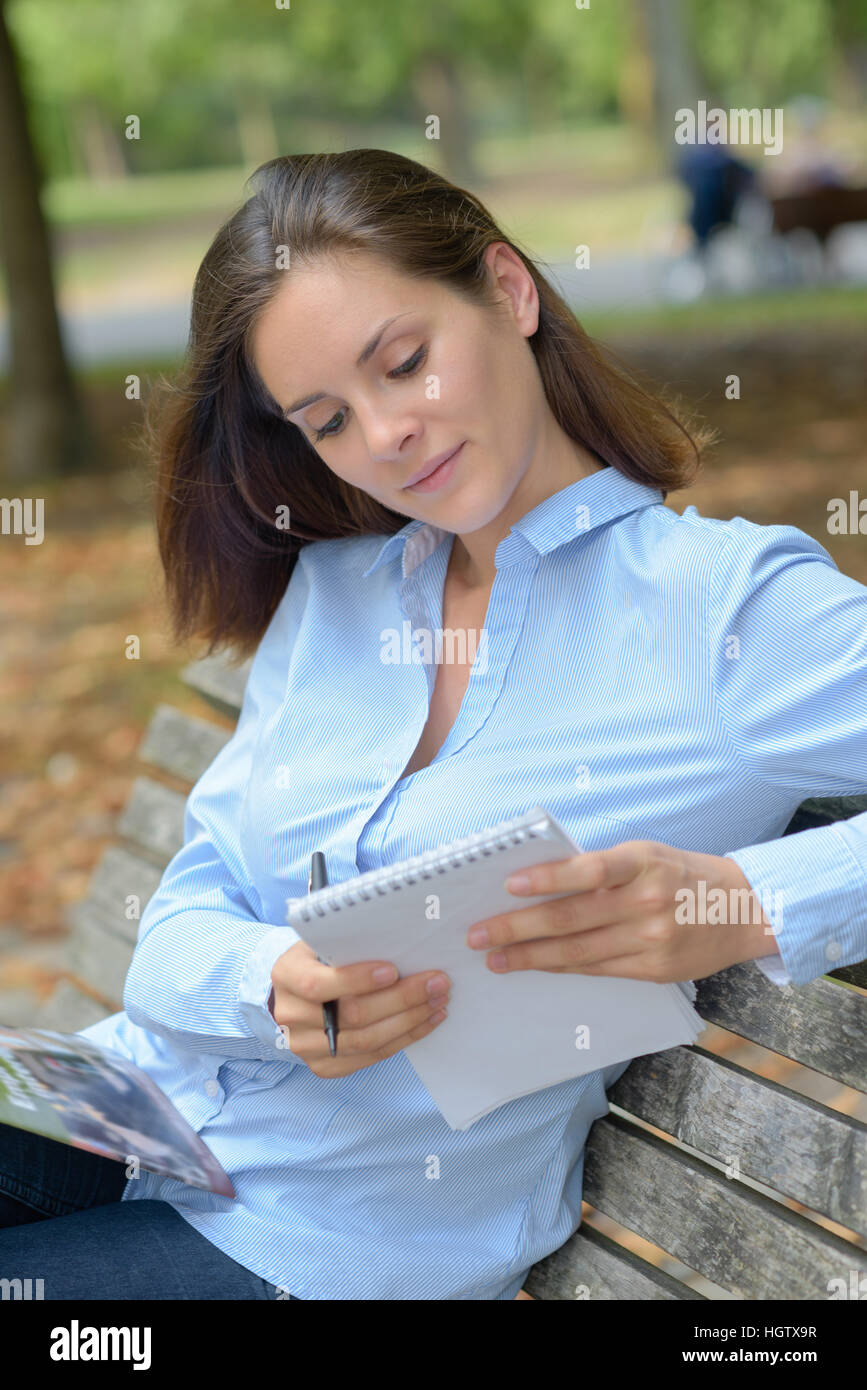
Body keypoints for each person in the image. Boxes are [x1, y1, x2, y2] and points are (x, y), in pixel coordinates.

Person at [1, 149, 865, 1301]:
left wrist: (742, 906)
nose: (386, 437)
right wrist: (270, 981)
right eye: (329, 420)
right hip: (117, 1112)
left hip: (316, 1246)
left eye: (404, 363)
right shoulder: (339, 592)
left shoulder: (720, 608)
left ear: (509, 291)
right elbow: (179, 919)